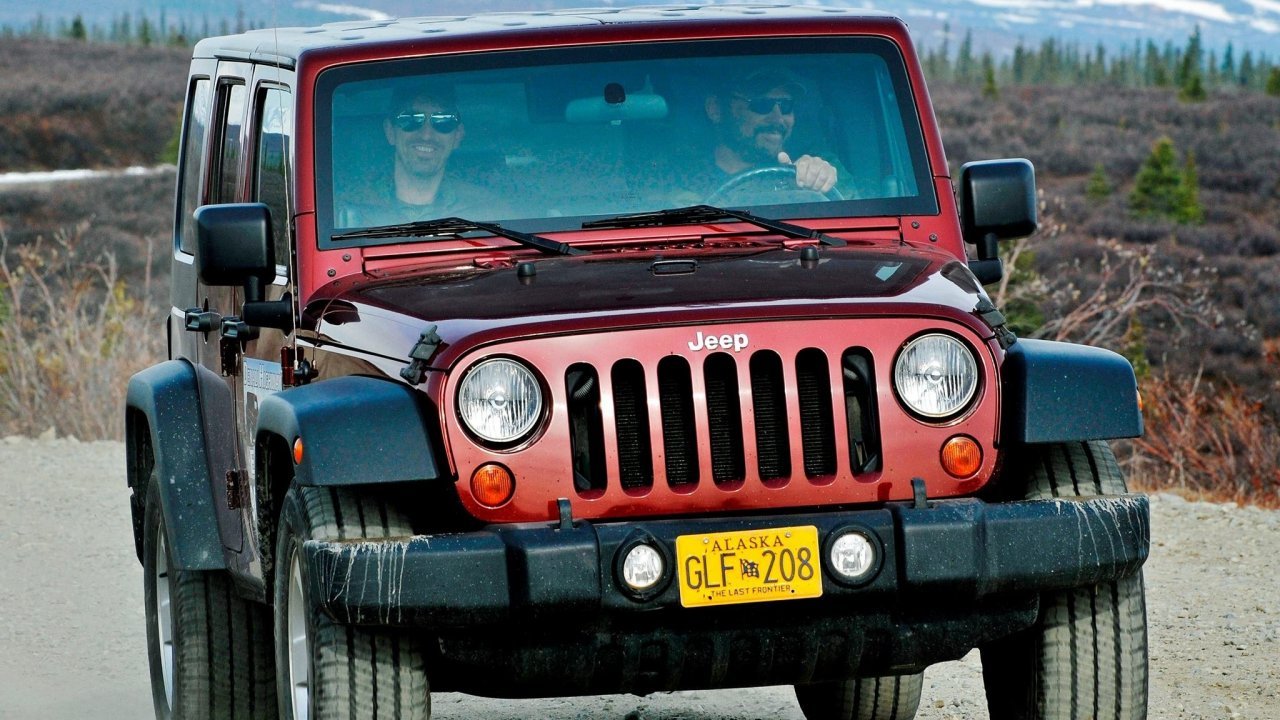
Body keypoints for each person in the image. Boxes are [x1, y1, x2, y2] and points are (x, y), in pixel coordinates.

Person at [339, 84, 503, 226]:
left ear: (458, 136)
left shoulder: (489, 210)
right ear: (390, 131)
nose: (426, 135)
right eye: (411, 119)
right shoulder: (347, 205)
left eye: (443, 121)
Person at [684, 69, 838, 201]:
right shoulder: (681, 177)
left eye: (786, 105)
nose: (778, 118)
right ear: (715, 109)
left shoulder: (813, 165)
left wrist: (816, 184)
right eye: (761, 104)